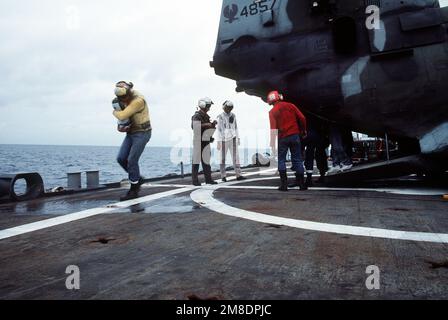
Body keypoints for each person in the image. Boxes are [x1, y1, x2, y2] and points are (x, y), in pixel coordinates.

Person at [112, 81, 152, 201]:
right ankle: (137, 178)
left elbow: (122, 115)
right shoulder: (124, 99)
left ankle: (134, 190)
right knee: (121, 158)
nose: (122, 100)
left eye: (123, 97)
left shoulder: (138, 100)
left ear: (128, 92)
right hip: (131, 133)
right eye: (120, 98)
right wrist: (121, 127)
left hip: (142, 133)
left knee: (132, 160)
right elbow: (122, 121)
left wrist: (114, 111)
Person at [267, 90, 308, 191]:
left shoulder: (272, 112)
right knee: (297, 159)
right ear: (279, 97)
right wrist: (303, 131)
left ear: (270, 101)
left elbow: (273, 129)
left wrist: (272, 144)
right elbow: (302, 118)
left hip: (283, 138)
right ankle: (302, 185)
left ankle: (284, 185)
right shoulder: (290, 105)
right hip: (295, 135)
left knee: (281, 160)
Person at [216, 100, 246, 182]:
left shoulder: (233, 115)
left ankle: (238, 175)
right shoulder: (220, 117)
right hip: (223, 140)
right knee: (222, 159)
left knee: (236, 158)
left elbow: (236, 127)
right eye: (227, 108)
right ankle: (223, 176)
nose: (229, 109)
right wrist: (218, 141)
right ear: (224, 107)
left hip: (233, 138)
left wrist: (238, 138)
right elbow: (218, 130)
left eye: (230, 108)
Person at [191, 97, 218, 186]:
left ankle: (208, 179)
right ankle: (195, 181)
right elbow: (195, 127)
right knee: (196, 162)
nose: (209, 107)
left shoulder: (206, 116)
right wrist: (208, 124)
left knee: (206, 162)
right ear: (203, 105)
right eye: (208, 105)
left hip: (205, 141)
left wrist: (212, 125)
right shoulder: (197, 116)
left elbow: (207, 128)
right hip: (198, 141)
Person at [302, 116, 329, 186]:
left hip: (309, 135)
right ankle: (322, 175)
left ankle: (309, 178)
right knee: (320, 155)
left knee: (309, 156)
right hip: (319, 135)